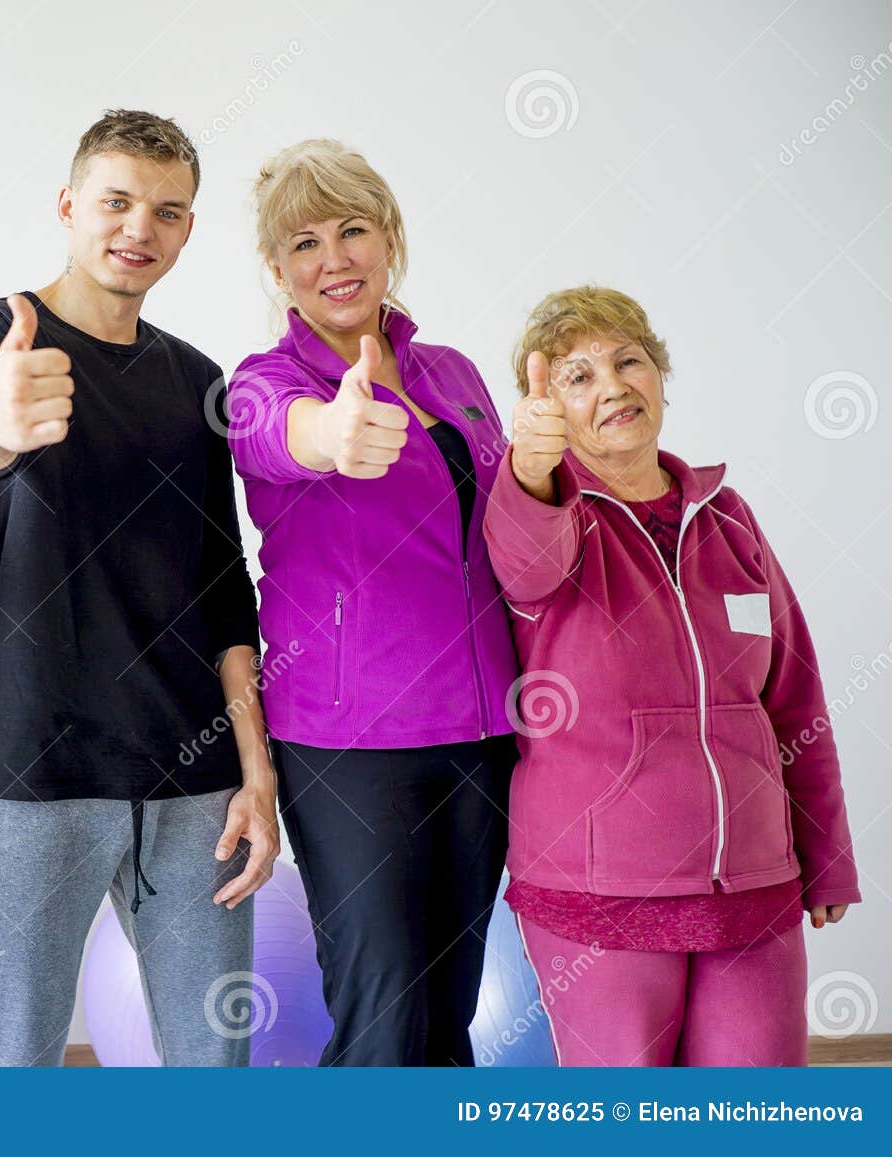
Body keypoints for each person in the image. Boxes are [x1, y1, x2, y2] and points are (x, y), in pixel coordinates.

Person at [0, 109, 277, 1067]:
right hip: (35, 777)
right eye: (117, 202)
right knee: (14, 1063)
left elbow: (225, 586)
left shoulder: (199, 380)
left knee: (214, 1068)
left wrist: (256, 773)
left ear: (189, 229)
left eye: (167, 211)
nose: (139, 228)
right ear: (68, 205)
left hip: (194, 784)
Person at [486, 285, 859, 1066]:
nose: (614, 385)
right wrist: (527, 465)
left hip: (755, 882)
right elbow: (523, 560)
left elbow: (793, 697)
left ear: (661, 374)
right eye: (578, 376)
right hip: (601, 895)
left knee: (754, 1119)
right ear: (547, 404)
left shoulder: (729, 519)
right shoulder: (546, 515)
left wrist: (825, 855)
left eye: (630, 360)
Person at [227, 139, 520, 1065]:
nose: (334, 258)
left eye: (353, 229)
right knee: (385, 1012)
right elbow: (282, 438)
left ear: (389, 239)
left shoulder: (457, 376)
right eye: (305, 242)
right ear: (278, 270)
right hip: (349, 743)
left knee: (448, 1011)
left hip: (481, 730)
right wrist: (331, 432)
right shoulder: (266, 385)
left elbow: (508, 528)